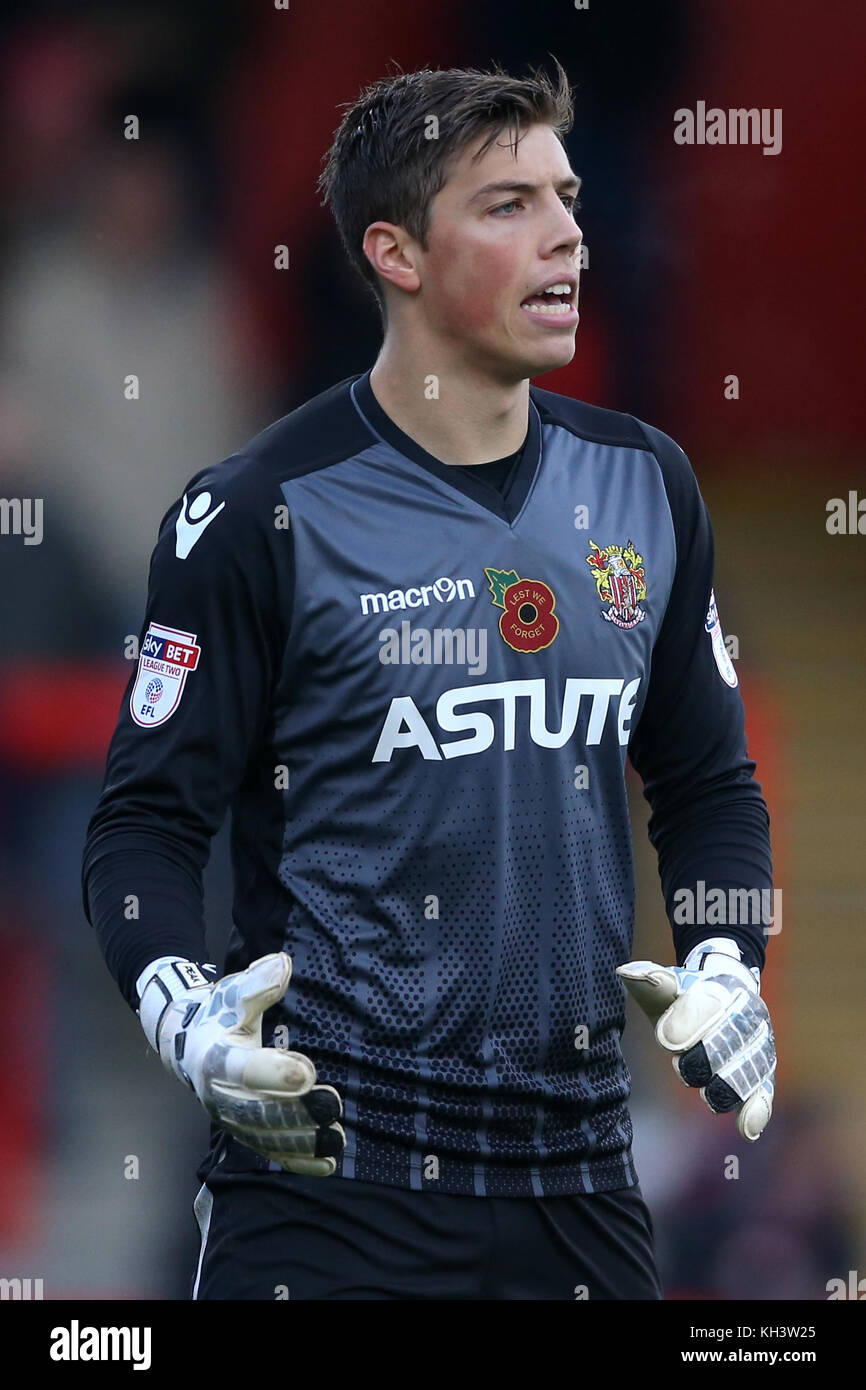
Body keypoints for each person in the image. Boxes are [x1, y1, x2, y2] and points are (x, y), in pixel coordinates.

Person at [81, 60, 776, 1301]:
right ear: (394, 253)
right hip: (327, 1188)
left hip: (579, 1189)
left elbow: (707, 783)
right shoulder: (256, 513)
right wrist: (180, 1010)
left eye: (565, 196)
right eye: (508, 205)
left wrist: (729, 956)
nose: (567, 230)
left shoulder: (646, 486)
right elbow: (141, 823)